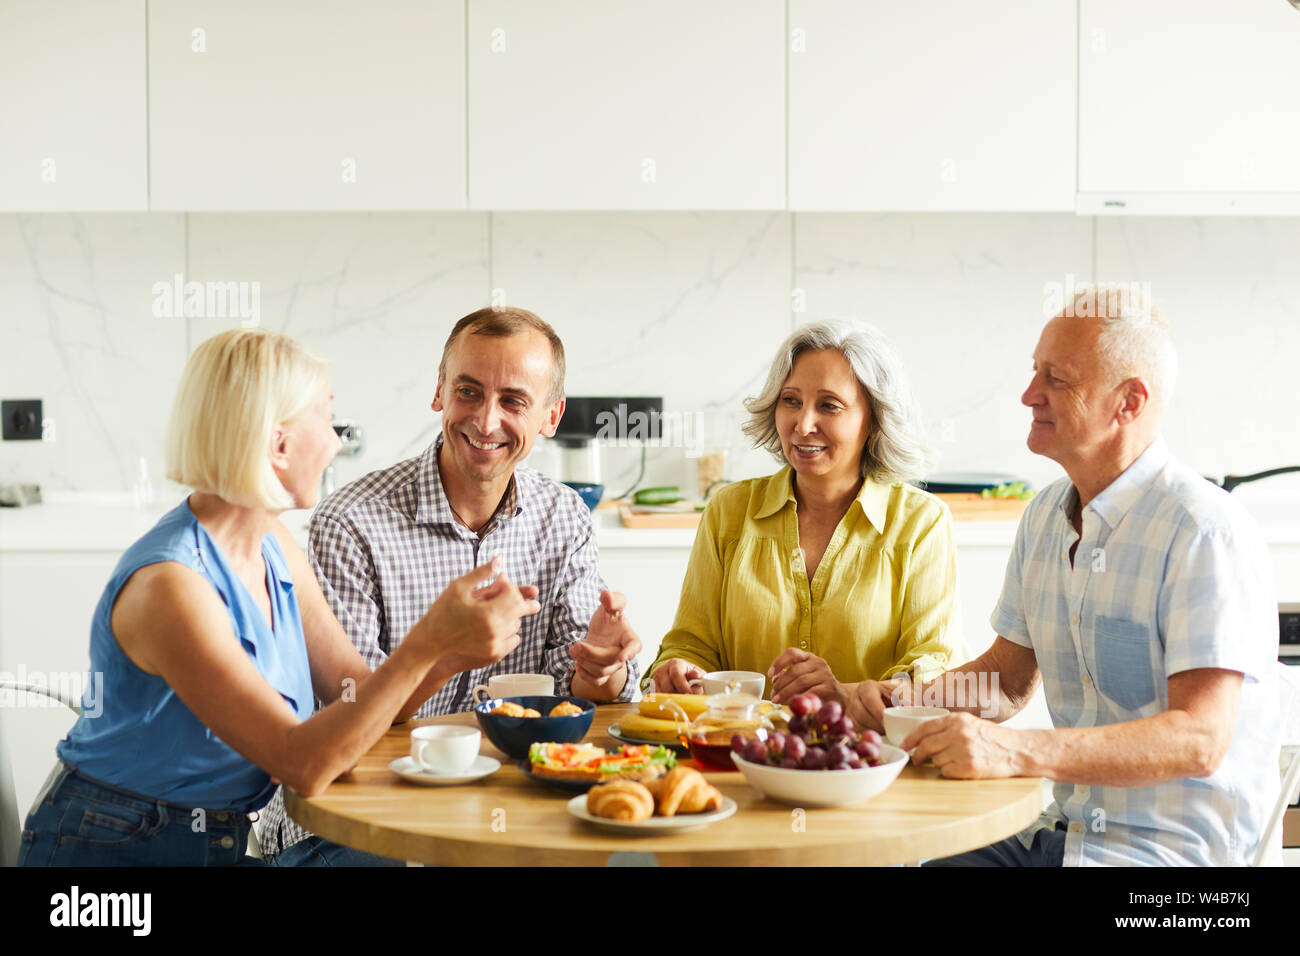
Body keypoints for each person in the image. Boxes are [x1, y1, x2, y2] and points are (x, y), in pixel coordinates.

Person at [18, 328, 537, 867]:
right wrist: (429, 640)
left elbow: (354, 694)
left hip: (212, 846)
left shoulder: (271, 543)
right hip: (112, 851)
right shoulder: (173, 586)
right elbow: (302, 763)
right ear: (278, 444)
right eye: (327, 420)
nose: (336, 443)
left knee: (375, 857)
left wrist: (450, 651)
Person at [854, 284, 1280, 867]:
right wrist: (901, 700)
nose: (1030, 395)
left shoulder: (1203, 531)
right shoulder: (1047, 515)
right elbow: (1005, 683)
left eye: (1057, 379)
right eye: (1035, 373)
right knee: (887, 854)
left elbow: (1198, 740)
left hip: (1171, 863)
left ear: (1128, 402)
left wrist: (1015, 752)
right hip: (1059, 834)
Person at [260, 306, 643, 865]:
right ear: (439, 392)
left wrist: (601, 667)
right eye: (468, 391)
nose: (485, 422)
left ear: (551, 416)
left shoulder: (564, 516)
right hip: (361, 819)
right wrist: (445, 651)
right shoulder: (352, 521)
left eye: (513, 401)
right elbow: (346, 717)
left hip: (506, 811)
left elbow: (579, 698)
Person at [647, 320, 966, 708]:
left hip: (869, 759)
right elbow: (691, 645)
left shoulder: (921, 521)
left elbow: (931, 670)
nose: (803, 424)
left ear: (875, 419)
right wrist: (680, 670)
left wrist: (844, 694)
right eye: (791, 401)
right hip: (741, 754)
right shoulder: (727, 511)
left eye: (829, 405)